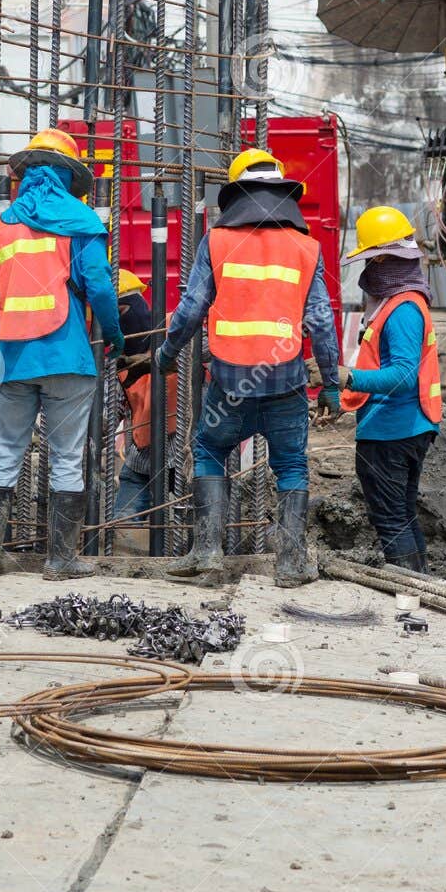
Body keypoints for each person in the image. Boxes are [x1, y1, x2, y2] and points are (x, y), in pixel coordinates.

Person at [156, 149, 340, 587]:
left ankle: (207, 551)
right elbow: (321, 320)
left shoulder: (217, 242)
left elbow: (191, 308)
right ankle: (292, 564)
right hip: (287, 384)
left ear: (236, 195)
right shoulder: (306, 246)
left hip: (229, 382)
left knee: (210, 452)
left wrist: (167, 351)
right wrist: (331, 383)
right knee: (291, 466)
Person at [0, 129, 124, 580]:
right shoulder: (80, 222)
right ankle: (59, 560)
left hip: (14, 360)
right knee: (65, 457)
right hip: (68, 359)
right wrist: (115, 335)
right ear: (67, 175)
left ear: (26, 176)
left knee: (4, 452)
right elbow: (99, 285)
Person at [339, 206, 441, 572]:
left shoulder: (402, 309)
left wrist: (347, 378)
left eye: (371, 260)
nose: (368, 271)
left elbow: (402, 376)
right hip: (404, 428)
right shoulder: (401, 303)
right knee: (402, 514)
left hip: (391, 433)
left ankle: (410, 593)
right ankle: (421, 590)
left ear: (383, 257)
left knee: (392, 519)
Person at [113, 271, 178, 529]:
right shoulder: (119, 361)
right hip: (140, 459)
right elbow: (112, 412)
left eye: (123, 309)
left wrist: (162, 358)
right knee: (123, 525)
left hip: (182, 458)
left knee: (178, 528)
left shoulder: (175, 330)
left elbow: (208, 355)